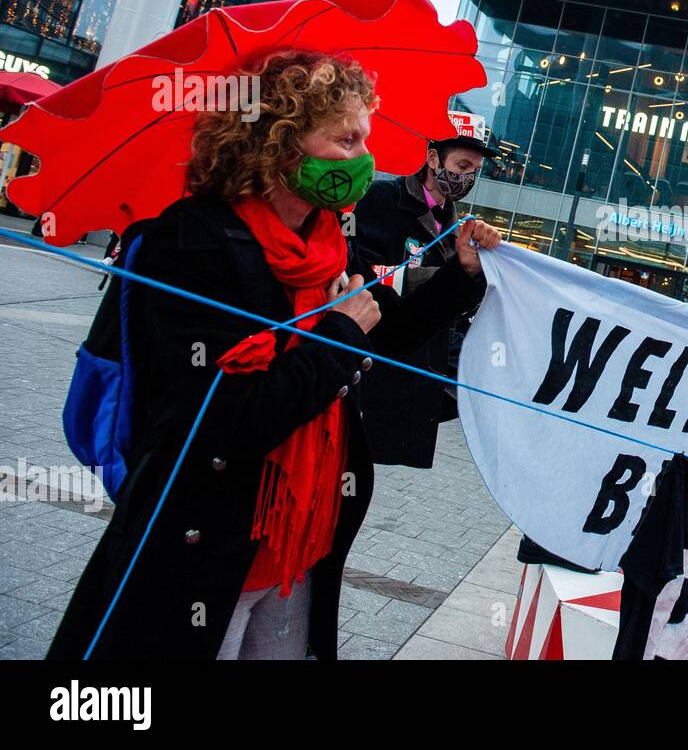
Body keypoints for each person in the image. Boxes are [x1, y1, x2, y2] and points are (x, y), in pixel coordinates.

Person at [47, 51, 502, 659]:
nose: (364, 155)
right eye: (345, 137)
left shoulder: (326, 242)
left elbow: (380, 333)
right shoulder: (190, 244)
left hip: (300, 547)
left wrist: (461, 276)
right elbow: (224, 419)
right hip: (209, 543)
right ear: (282, 141)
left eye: (365, 136)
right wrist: (338, 336)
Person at [351, 115, 498, 467]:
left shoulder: (460, 226)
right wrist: (448, 274)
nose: (467, 178)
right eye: (462, 165)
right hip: (377, 366)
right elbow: (367, 276)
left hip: (422, 374)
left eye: (475, 171)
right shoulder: (380, 199)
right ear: (433, 159)